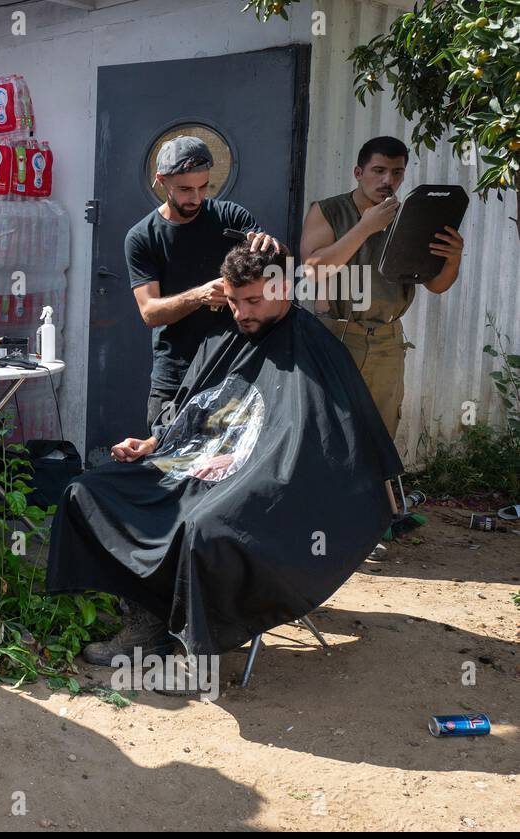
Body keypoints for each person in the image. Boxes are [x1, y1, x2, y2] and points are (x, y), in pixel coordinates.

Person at [49, 243, 401, 672]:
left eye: (253, 300)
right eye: (233, 301)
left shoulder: (316, 353)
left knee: (203, 526)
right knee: (85, 491)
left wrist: (242, 465)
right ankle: (146, 619)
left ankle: (190, 648)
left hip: (267, 483)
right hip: (192, 463)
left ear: (285, 289)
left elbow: (316, 451)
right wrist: (154, 443)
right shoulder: (225, 338)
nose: (241, 313)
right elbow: (195, 410)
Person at [300, 135, 465, 440]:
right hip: (337, 336)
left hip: (388, 342)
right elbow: (313, 271)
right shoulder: (329, 211)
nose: (388, 180)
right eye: (378, 170)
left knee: (380, 438)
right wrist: (365, 227)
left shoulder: (413, 217)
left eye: (397, 172)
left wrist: (453, 260)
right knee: (329, 433)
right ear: (358, 173)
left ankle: (379, 490)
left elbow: (436, 285)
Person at [125, 136, 282, 428]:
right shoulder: (142, 237)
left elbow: (274, 268)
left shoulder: (231, 216)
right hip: (175, 376)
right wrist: (199, 295)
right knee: (165, 463)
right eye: (185, 189)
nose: (195, 198)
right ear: (161, 181)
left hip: (232, 367)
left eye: (203, 187)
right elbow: (150, 312)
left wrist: (274, 247)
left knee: (227, 465)